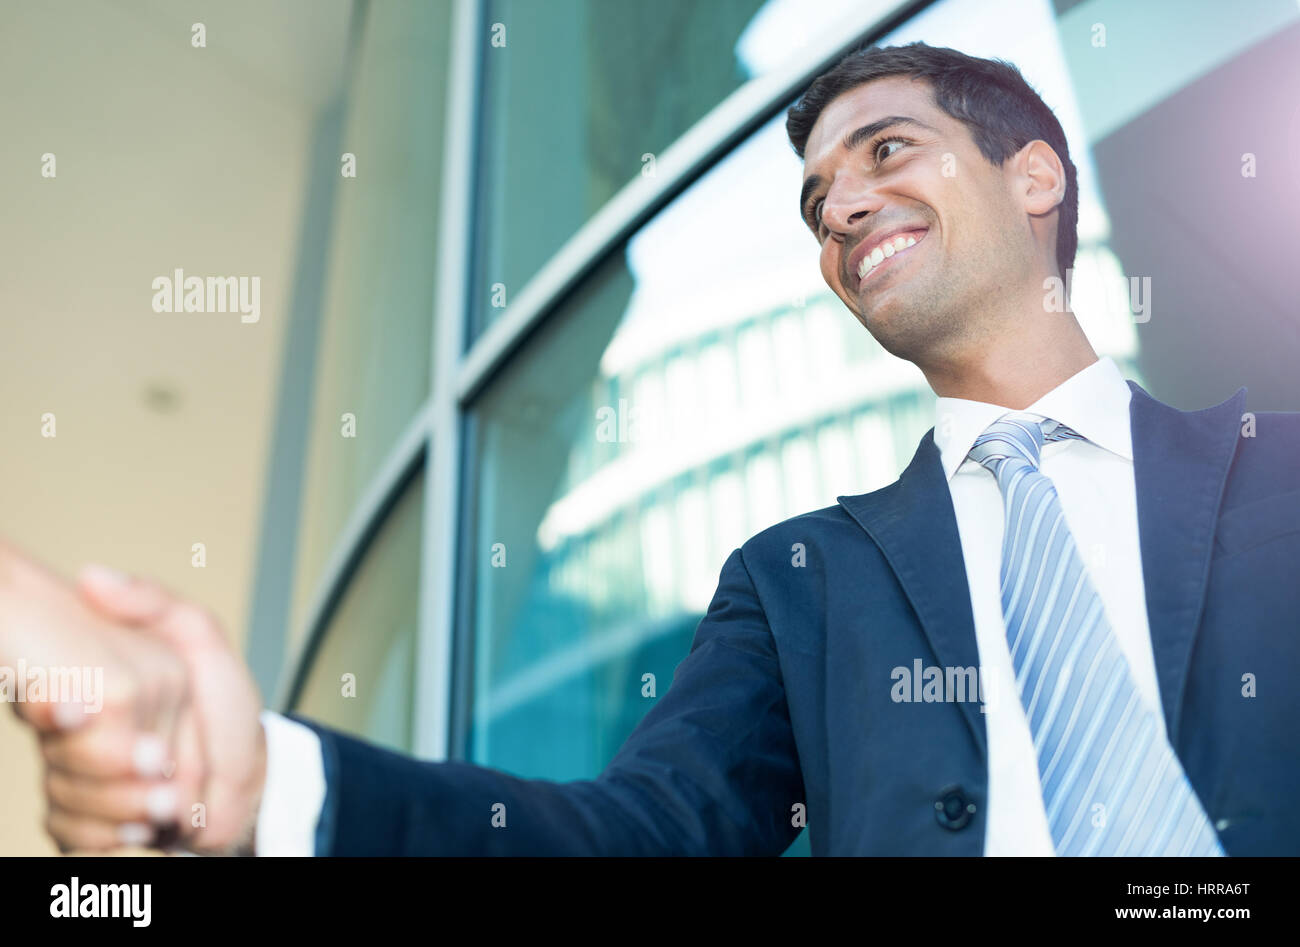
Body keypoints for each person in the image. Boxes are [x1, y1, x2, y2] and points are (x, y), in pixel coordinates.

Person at [4, 42, 1297, 856]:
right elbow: (641, 840)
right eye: (814, 201)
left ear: (1033, 177)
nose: (840, 206)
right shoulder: (802, 581)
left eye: (886, 151)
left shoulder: (1276, 477)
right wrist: (274, 792)